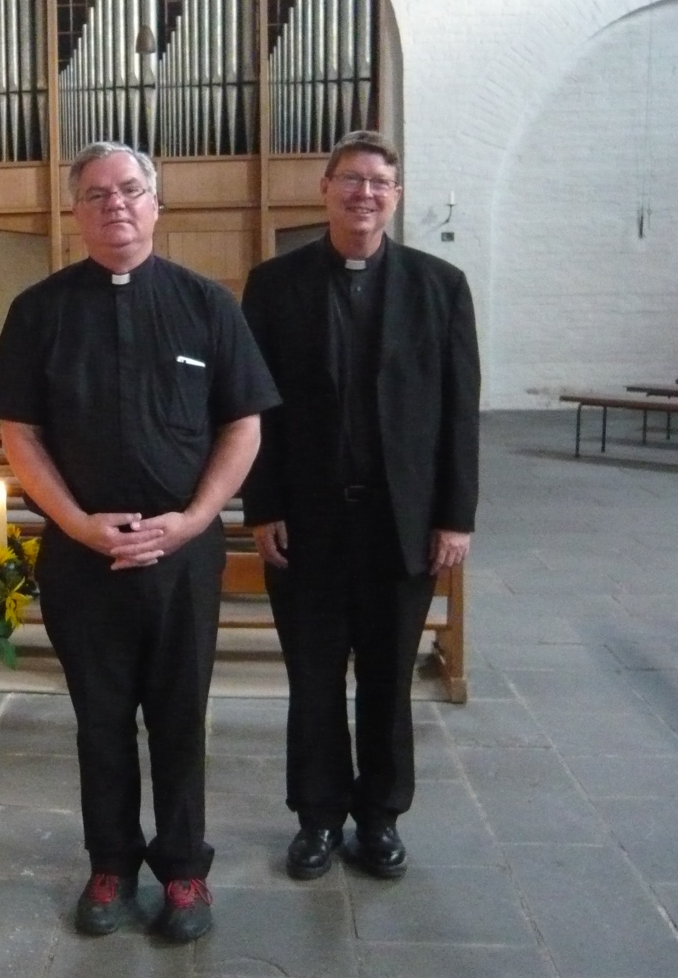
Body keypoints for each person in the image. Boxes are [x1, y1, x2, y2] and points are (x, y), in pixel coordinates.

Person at [0, 142, 279, 943]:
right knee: (100, 720)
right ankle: (109, 862)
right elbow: (19, 432)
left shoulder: (207, 305)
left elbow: (242, 425)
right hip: (83, 556)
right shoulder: (38, 310)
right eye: (96, 193)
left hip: (183, 554)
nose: (115, 204)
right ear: (74, 211)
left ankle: (185, 871)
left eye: (131, 190)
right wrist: (76, 522)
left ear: (157, 203)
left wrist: (192, 518)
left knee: (181, 717)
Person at [241, 129, 479, 881]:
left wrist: (456, 516)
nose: (364, 192)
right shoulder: (274, 285)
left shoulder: (441, 286)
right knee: (312, 678)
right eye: (350, 178)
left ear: (396, 195)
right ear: (325, 188)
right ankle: (316, 817)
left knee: (387, 677)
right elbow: (257, 407)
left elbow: (458, 413)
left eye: (379, 181)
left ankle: (378, 816)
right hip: (306, 523)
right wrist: (263, 503)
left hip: (399, 523)